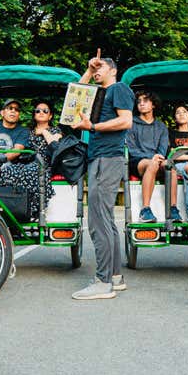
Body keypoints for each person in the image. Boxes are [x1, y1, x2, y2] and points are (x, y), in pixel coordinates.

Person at [71, 51, 134, 300]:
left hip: (108, 158)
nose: (97, 71)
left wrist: (93, 127)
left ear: (113, 70)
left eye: (101, 68)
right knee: (106, 220)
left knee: (97, 221)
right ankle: (115, 277)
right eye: (95, 68)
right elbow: (74, 99)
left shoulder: (118, 88)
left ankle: (102, 282)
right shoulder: (99, 93)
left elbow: (126, 121)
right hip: (100, 157)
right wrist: (87, 70)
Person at [0, 100, 61, 217]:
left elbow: (54, 144)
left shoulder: (55, 131)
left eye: (45, 111)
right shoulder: (27, 132)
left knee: (31, 171)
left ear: (50, 115)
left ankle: (32, 209)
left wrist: (44, 132)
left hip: (44, 164)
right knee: (7, 170)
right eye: (38, 111)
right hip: (26, 162)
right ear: (34, 114)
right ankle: (10, 208)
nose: (41, 112)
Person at [125, 90, 180, 223]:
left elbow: (163, 148)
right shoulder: (130, 123)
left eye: (145, 101)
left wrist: (158, 157)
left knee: (170, 167)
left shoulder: (161, 126)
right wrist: (152, 158)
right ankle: (145, 210)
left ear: (153, 104)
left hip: (156, 159)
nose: (141, 104)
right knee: (152, 164)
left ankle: (173, 209)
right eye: (139, 102)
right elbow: (132, 149)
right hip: (137, 161)